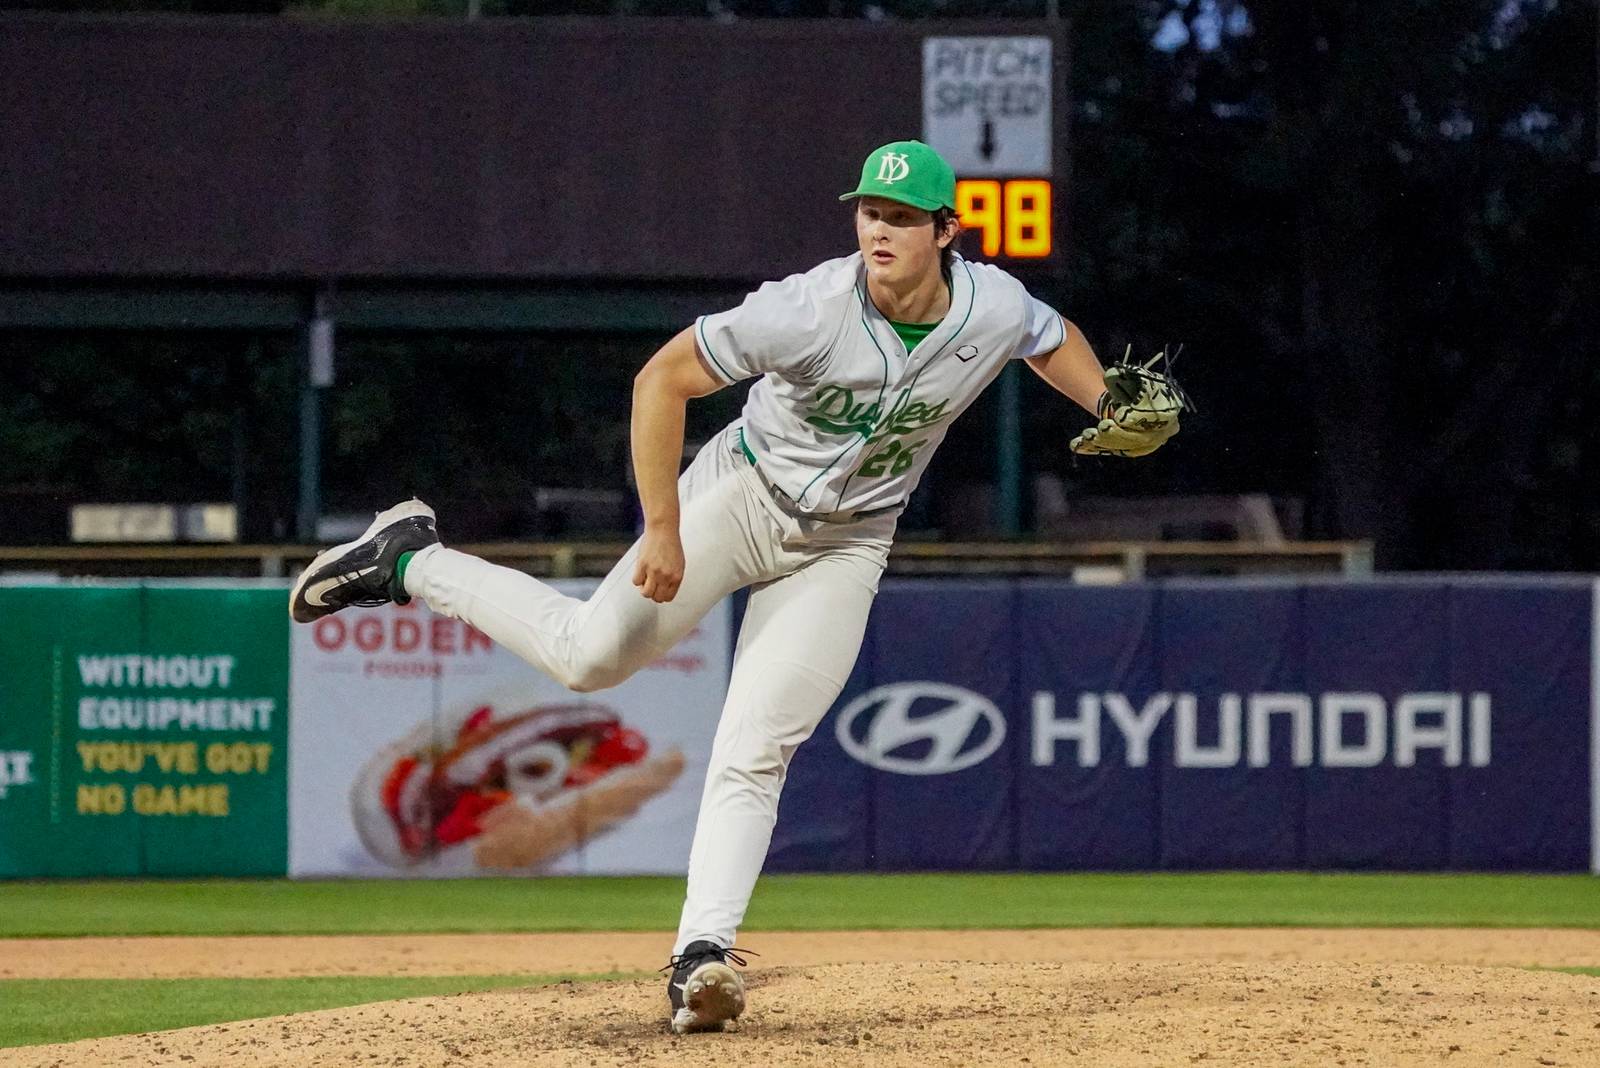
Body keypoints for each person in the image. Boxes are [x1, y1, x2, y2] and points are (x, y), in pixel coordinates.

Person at [289, 139, 1183, 1035]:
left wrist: (1103, 398)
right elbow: (662, 378)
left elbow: (1048, 336)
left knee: (758, 745)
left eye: (903, 218)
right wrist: (667, 525)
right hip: (740, 495)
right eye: (870, 211)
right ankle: (410, 558)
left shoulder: (990, 305)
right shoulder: (807, 310)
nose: (879, 229)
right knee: (588, 659)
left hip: (848, 544)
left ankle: (699, 958)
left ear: (947, 232)